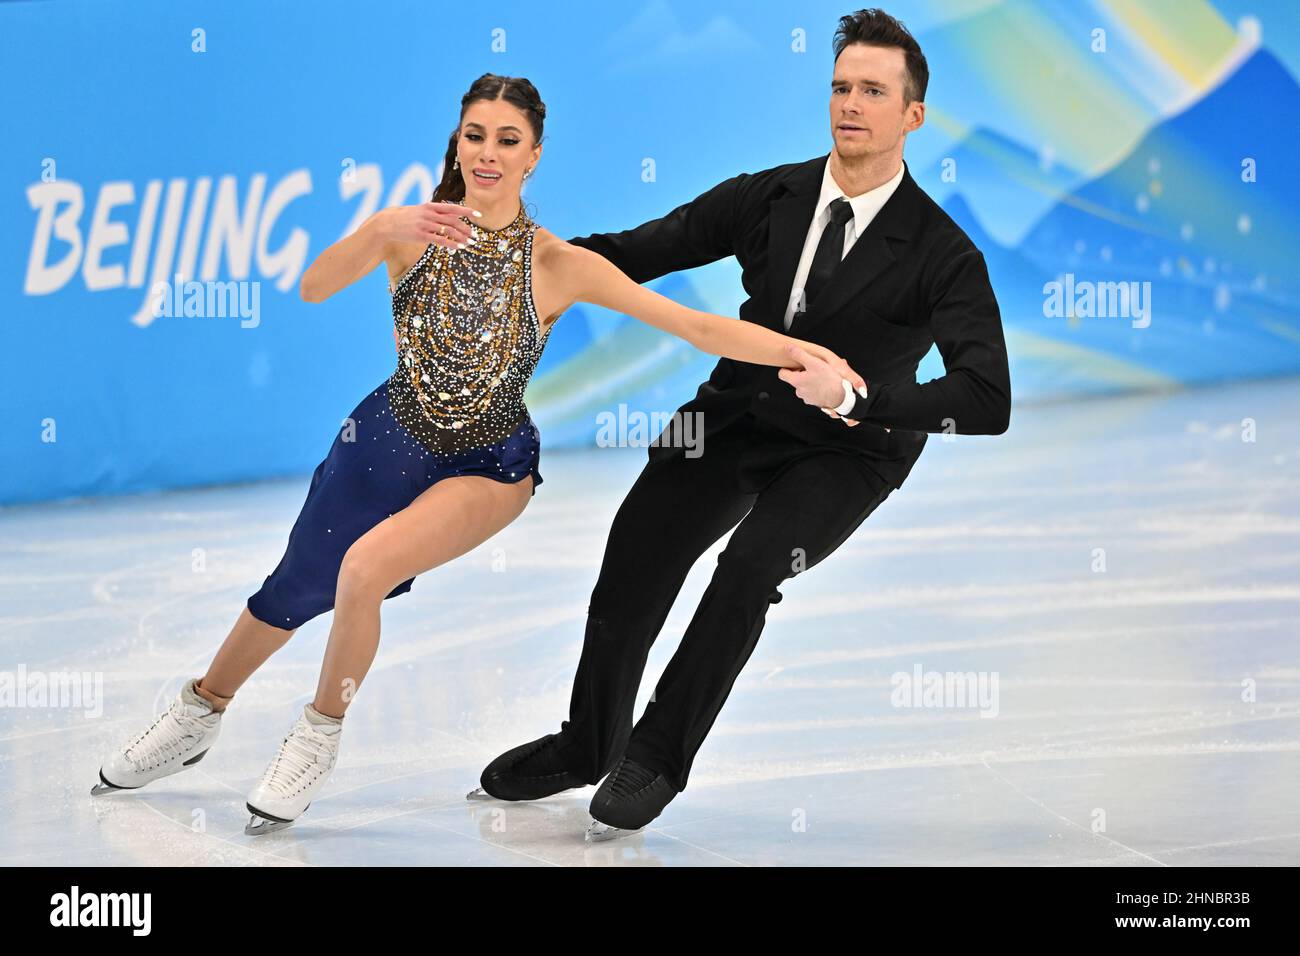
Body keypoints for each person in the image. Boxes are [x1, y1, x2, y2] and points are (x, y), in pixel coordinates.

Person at [88, 73, 862, 836]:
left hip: (487, 467)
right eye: (475, 136)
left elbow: (695, 327)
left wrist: (801, 352)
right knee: (290, 590)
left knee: (364, 570)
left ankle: (317, 736)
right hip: (383, 440)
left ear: (534, 156)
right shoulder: (411, 230)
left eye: (508, 140)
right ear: (457, 143)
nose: (487, 153)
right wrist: (380, 229)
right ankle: (200, 710)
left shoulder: (556, 263)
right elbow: (313, 286)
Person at [475, 8, 1012, 841]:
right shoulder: (773, 195)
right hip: (736, 414)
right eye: (841, 86)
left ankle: (654, 757)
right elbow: (642, 248)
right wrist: (512, 261)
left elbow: (986, 397)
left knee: (751, 565)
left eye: (875, 90)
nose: (851, 104)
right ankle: (587, 744)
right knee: (637, 546)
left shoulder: (942, 252)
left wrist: (859, 400)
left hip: (851, 447)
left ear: (913, 115)